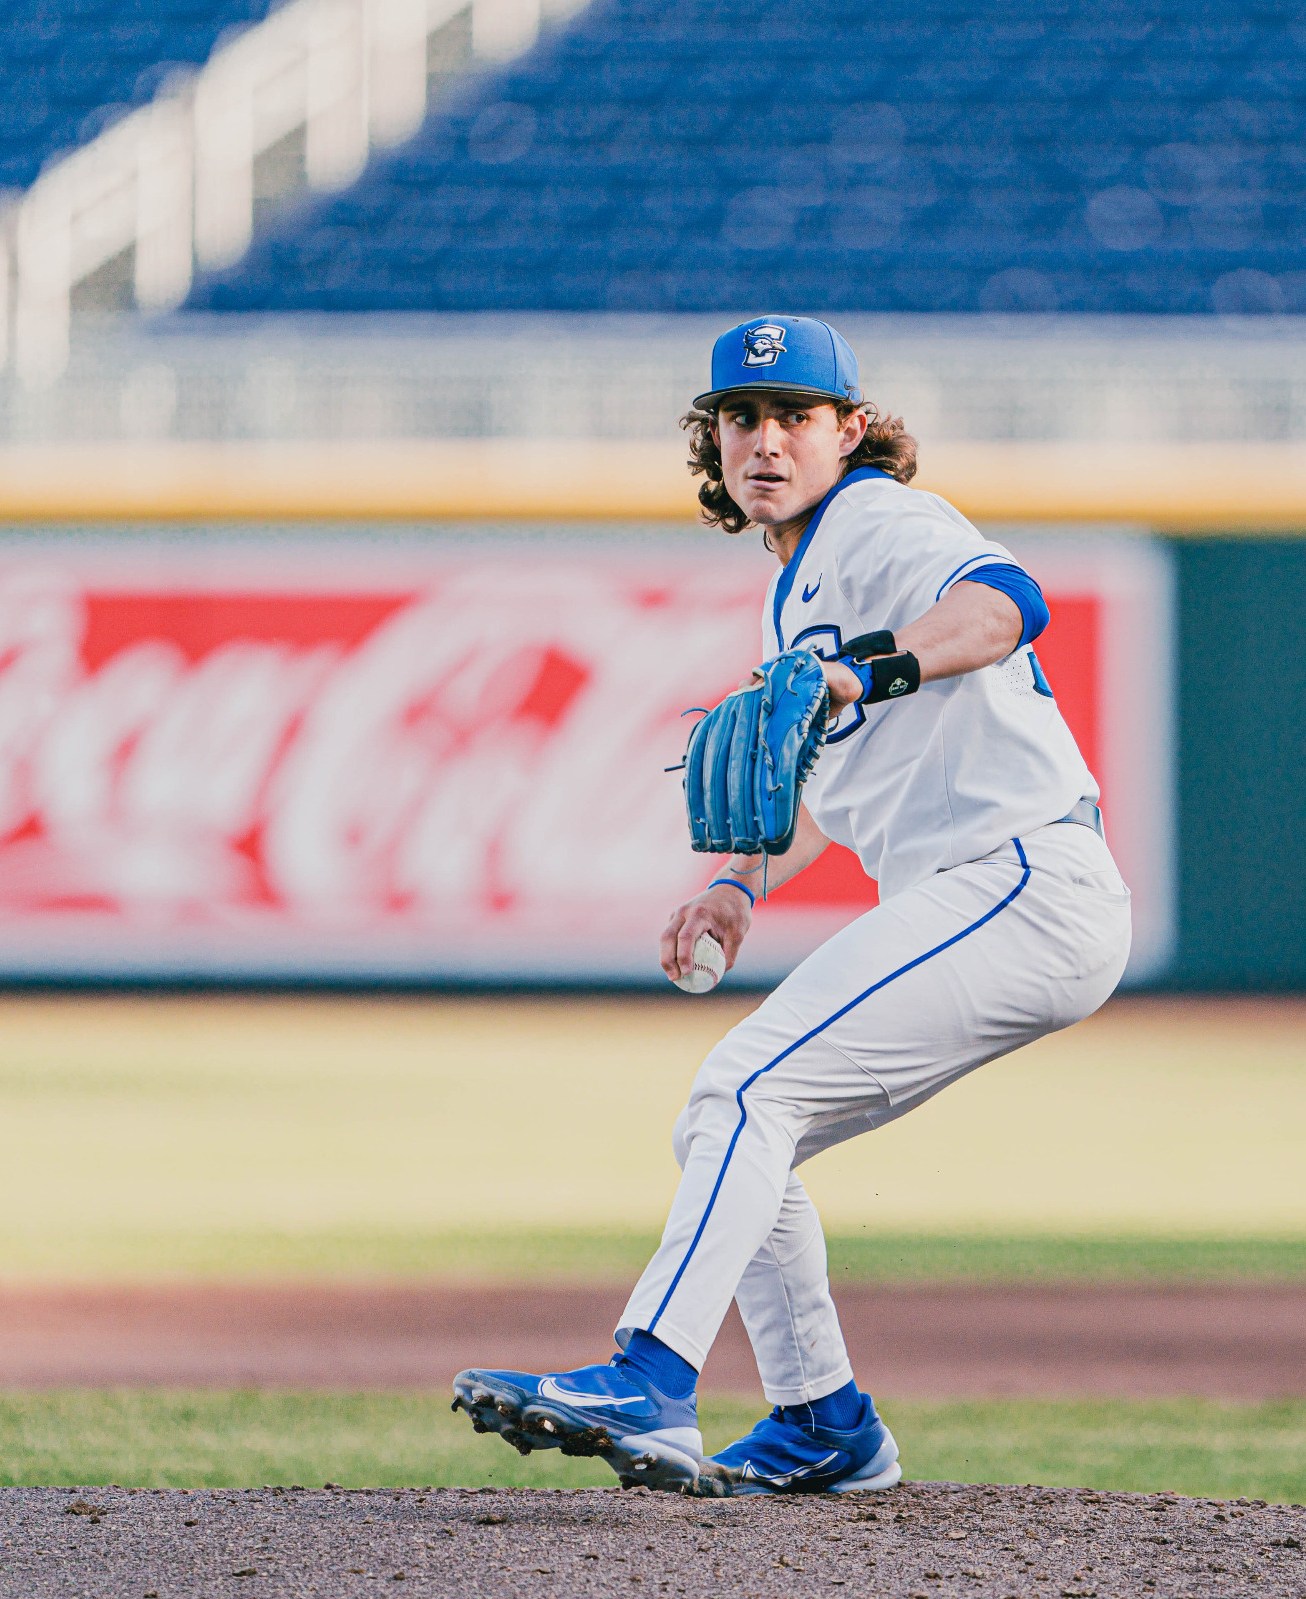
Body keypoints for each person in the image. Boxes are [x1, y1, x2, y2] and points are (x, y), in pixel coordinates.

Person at [453, 315, 1132, 1496]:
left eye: (795, 417)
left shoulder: (876, 518)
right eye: (741, 418)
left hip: (1022, 878)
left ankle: (649, 1375)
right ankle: (823, 1420)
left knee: (742, 1093)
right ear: (710, 441)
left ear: (850, 433)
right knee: (737, 1127)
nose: (765, 440)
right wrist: (736, 880)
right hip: (987, 891)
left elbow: (1009, 603)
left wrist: (854, 669)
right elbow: (826, 787)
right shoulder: (793, 586)